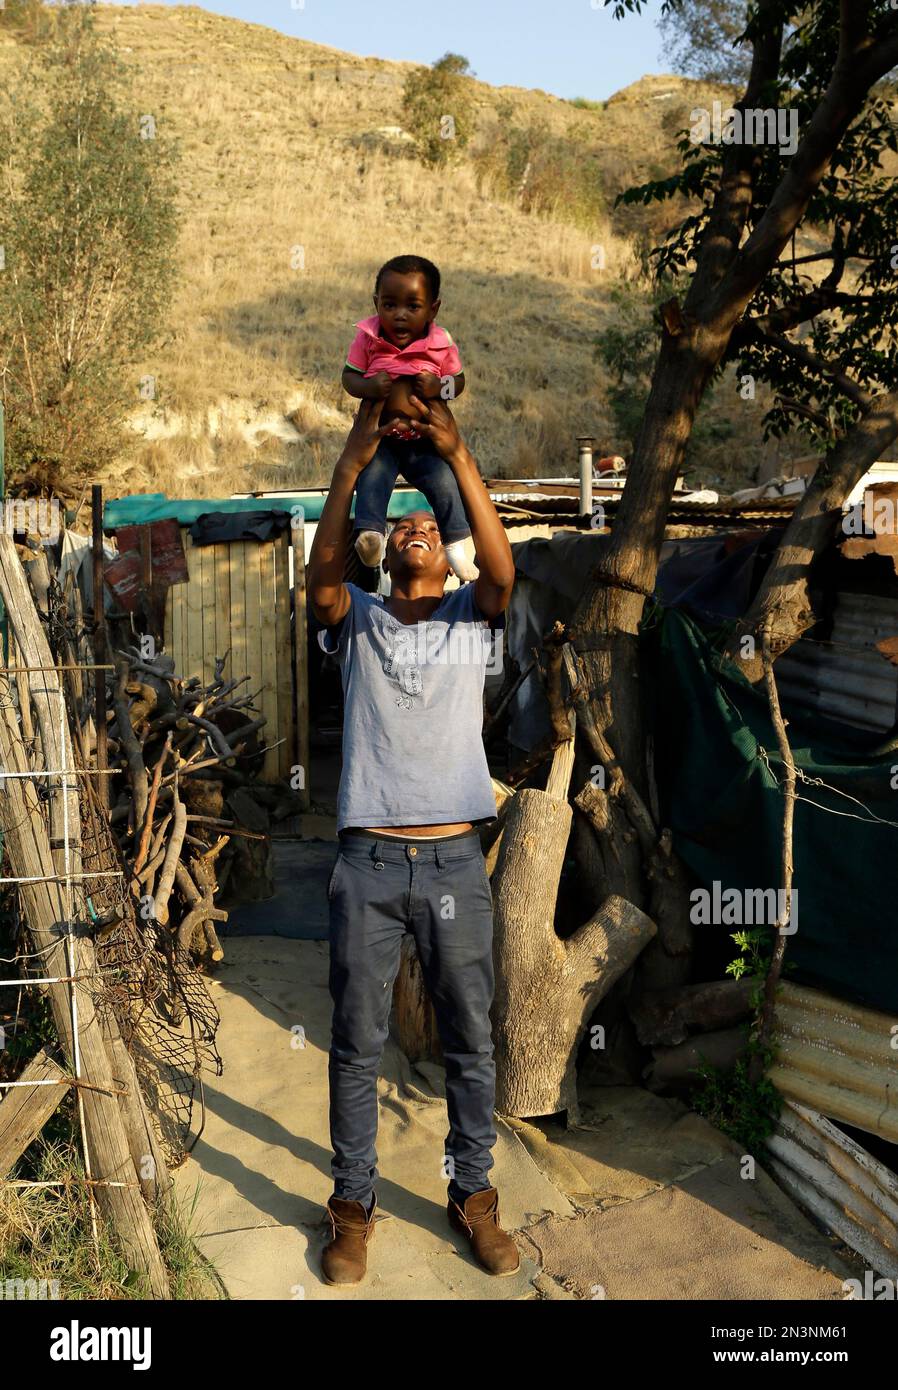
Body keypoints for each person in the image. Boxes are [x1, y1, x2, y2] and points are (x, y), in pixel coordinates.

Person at [307, 392, 518, 1286]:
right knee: (355, 1042)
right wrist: (355, 459)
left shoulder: (475, 619)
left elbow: (505, 575)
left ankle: (472, 1196)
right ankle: (353, 1207)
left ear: (446, 550)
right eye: (399, 528)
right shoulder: (355, 621)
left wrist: (458, 457)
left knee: (472, 1039)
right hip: (369, 863)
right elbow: (318, 581)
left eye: (428, 524)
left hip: (455, 862)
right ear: (383, 552)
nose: (414, 530)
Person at [341, 254, 477, 582]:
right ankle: (371, 536)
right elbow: (349, 378)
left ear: (433, 308)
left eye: (413, 307)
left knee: (445, 482)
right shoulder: (367, 338)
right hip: (382, 437)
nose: (399, 315)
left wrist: (438, 386)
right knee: (371, 480)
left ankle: (457, 542)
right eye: (389, 305)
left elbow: (458, 384)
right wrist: (369, 385)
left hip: (424, 438)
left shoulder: (440, 343)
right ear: (376, 304)